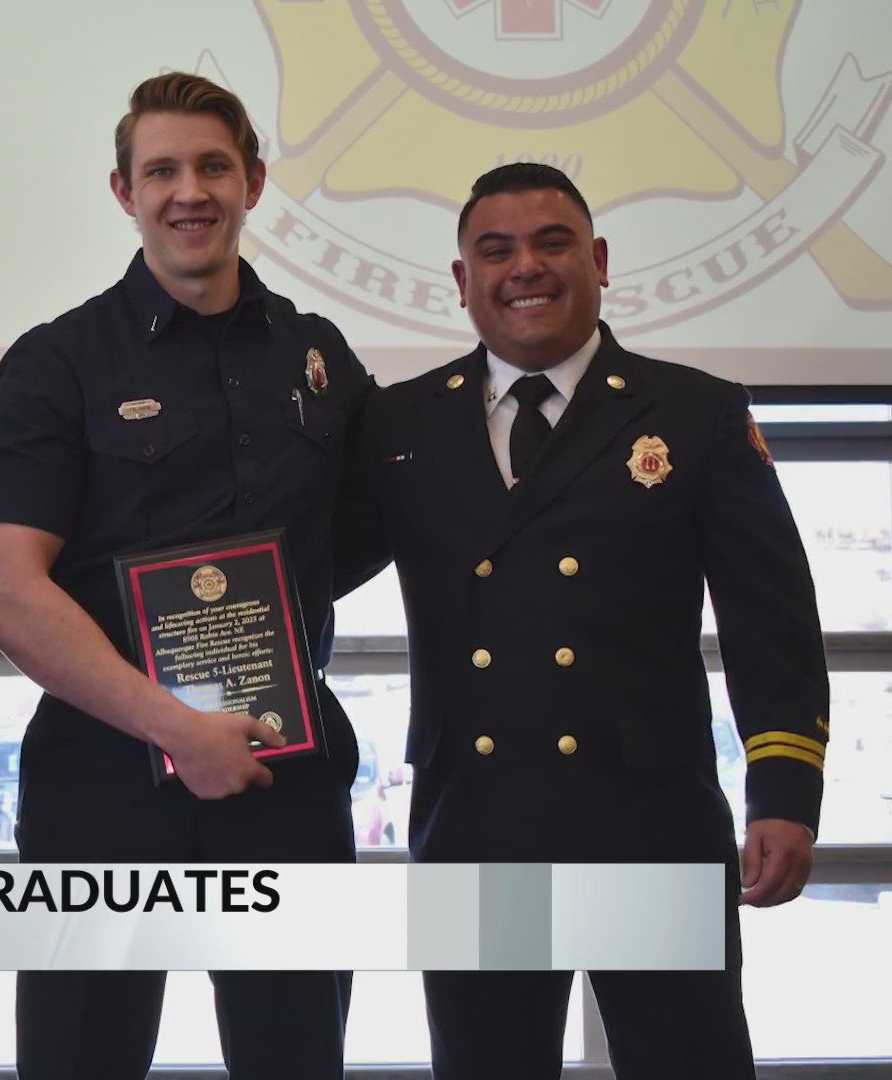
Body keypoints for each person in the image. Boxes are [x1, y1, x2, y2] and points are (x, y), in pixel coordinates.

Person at [355, 162, 827, 1079]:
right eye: (495, 251)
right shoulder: (397, 424)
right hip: (474, 823)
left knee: (688, 1063)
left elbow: (771, 616)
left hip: (649, 819)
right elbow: (308, 571)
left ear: (599, 260)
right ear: (462, 281)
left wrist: (783, 792)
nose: (524, 267)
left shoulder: (694, 414)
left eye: (552, 242)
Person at [0, 72, 383, 1080]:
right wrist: (177, 728)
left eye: (211, 166)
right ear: (124, 191)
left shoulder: (317, 356)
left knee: (297, 1062)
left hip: (283, 774)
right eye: (161, 170)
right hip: (101, 782)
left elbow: (361, 533)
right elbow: (11, 595)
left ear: (253, 182)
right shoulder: (55, 363)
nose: (187, 191)